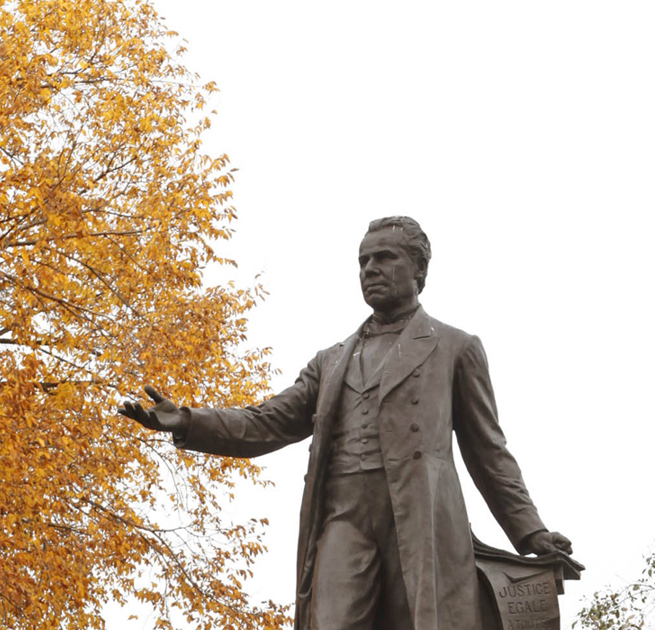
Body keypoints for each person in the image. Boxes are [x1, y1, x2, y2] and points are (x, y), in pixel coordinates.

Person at [120, 216, 571, 630]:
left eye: (385, 257)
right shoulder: (331, 361)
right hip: (344, 516)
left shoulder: (455, 347)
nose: (370, 269)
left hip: (421, 518)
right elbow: (266, 422)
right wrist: (188, 421)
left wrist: (530, 531)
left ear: (419, 271)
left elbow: (489, 451)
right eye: (363, 261)